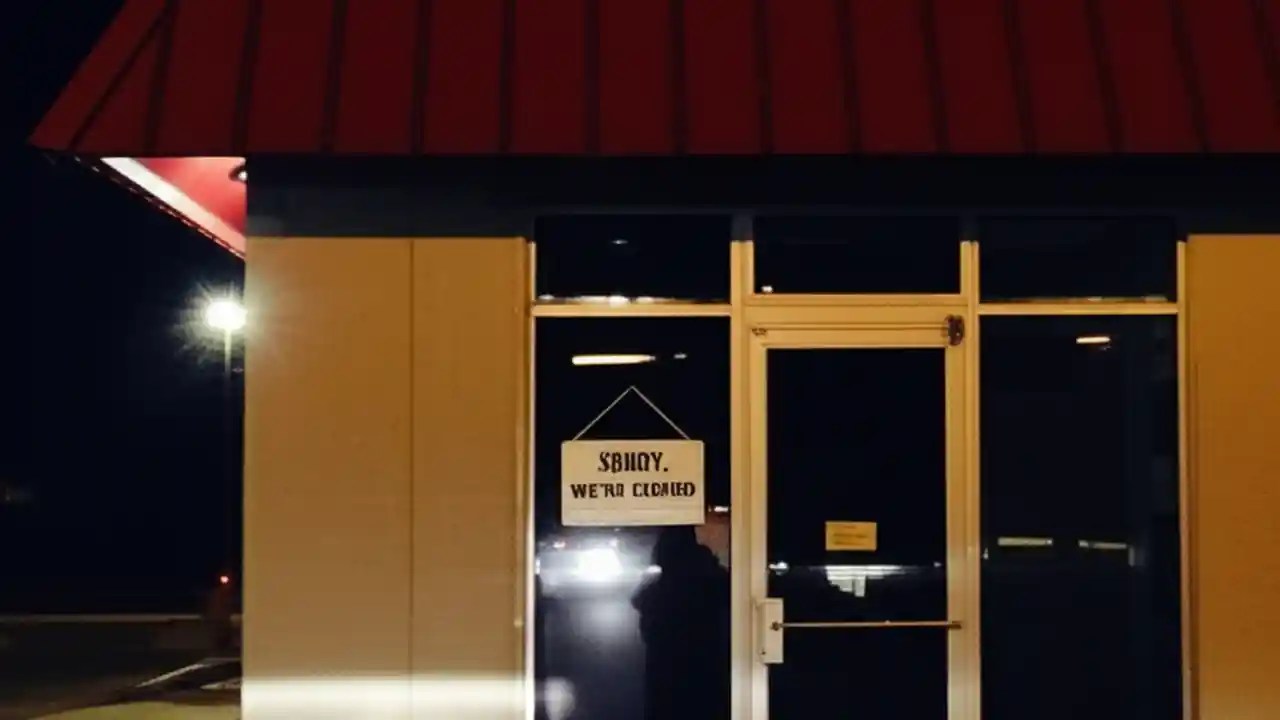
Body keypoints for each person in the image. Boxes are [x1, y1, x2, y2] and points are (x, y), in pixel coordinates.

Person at [631, 526, 730, 720]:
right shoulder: (708, 576)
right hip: (704, 663)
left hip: (670, 666)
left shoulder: (666, 583)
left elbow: (639, 600)